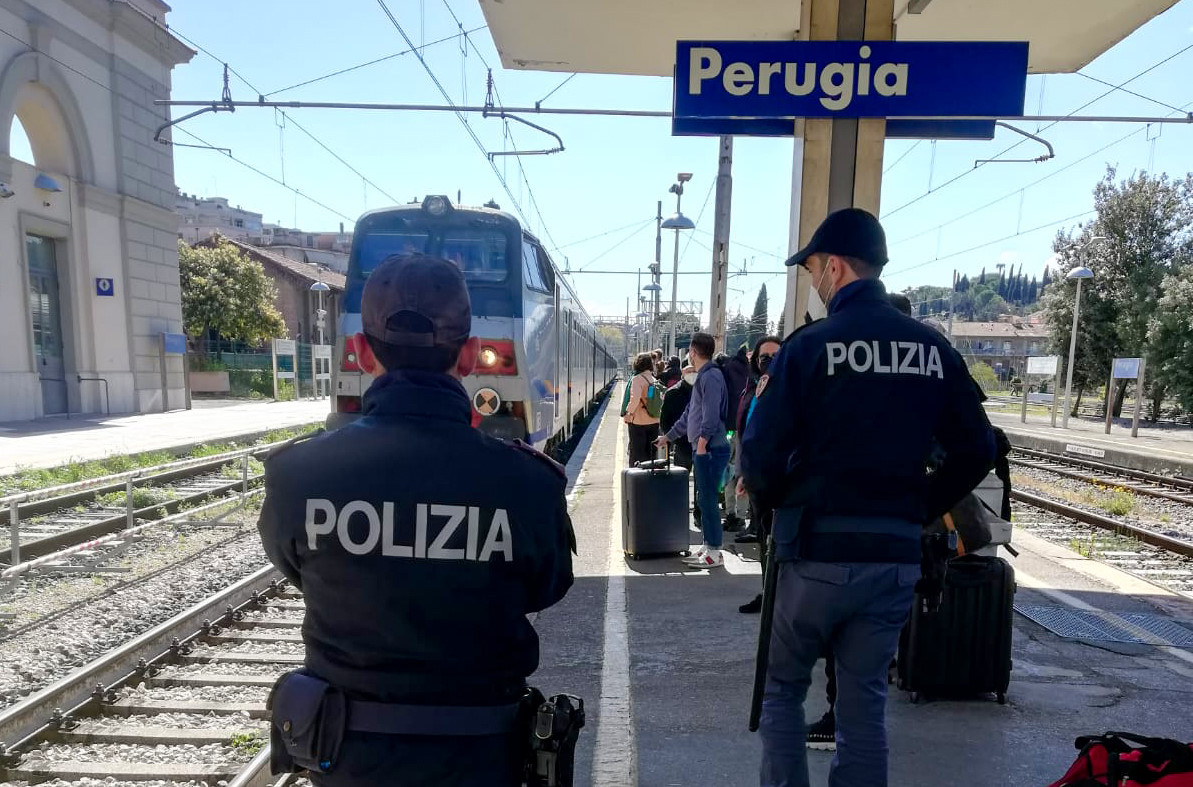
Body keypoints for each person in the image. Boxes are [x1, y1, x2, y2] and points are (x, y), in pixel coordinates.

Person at [257, 253, 575, 787]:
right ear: (470, 355)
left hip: (346, 760)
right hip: (483, 760)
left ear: (361, 351)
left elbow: (293, 565)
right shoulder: (527, 484)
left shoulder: (299, 474)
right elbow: (548, 585)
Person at [741, 208, 994, 787]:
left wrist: (787, 500)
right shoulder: (932, 349)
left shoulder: (809, 347)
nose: (814, 284)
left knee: (782, 690)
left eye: (812, 272)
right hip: (895, 559)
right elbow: (979, 448)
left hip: (815, 555)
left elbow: (757, 458)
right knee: (863, 710)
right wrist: (920, 507)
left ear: (833, 268)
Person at [656, 332, 731, 568]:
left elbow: (709, 415)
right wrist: (668, 437)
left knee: (707, 499)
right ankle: (708, 547)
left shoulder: (710, 377)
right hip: (705, 447)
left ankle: (715, 551)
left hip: (709, 449)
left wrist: (701, 444)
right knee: (703, 498)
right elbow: (690, 414)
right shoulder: (705, 377)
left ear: (692, 352)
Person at [733, 335, 782, 614]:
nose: (770, 362)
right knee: (764, 540)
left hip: (776, 480)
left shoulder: (787, 389)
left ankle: (776, 599)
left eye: (777, 356)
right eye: (764, 357)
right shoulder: (754, 388)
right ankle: (768, 593)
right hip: (756, 478)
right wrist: (743, 473)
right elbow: (745, 434)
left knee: (774, 541)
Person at [720, 345, 753, 532]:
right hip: (744, 431)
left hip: (728, 430)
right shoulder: (752, 373)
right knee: (742, 474)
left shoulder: (727, 369)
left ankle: (730, 514)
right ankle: (741, 516)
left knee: (727, 474)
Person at [624, 352, 662, 466]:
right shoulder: (654, 380)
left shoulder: (637, 379)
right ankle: (649, 479)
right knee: (651, 454)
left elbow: (635, 398)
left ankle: (636, 480)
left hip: (639, 422)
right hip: (654, 421)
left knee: (637, 454)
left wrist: (628, 413)